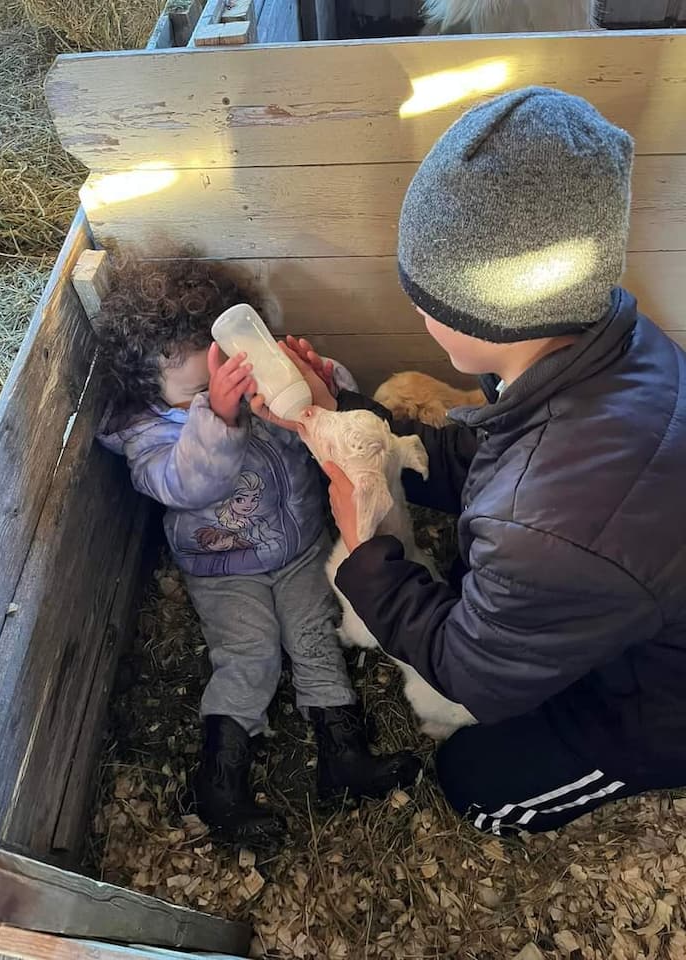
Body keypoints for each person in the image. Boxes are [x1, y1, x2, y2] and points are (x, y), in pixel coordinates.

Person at [255, 87, 686, 835]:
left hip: (654, 707)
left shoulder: (545, 534)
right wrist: (356, 426)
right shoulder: (610, 346)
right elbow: (487, 451)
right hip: (624, 583)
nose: (417, 314)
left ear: (480, 307)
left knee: (473, 786)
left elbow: (470, 672)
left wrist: (367, 552)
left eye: (425, 295)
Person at [94, 259, 419, 848]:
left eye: (236, 378)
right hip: (221, 569)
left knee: (316, 635)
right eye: (200, 390)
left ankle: (344, 759)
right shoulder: (150, 435)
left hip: (296, 548)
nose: (233, 396)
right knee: (249, 657)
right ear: (152, 390)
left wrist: (317, 379)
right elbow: (185, 487)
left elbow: (328, 420)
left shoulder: (259, 393)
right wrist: (213, 417)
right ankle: (222, 785)